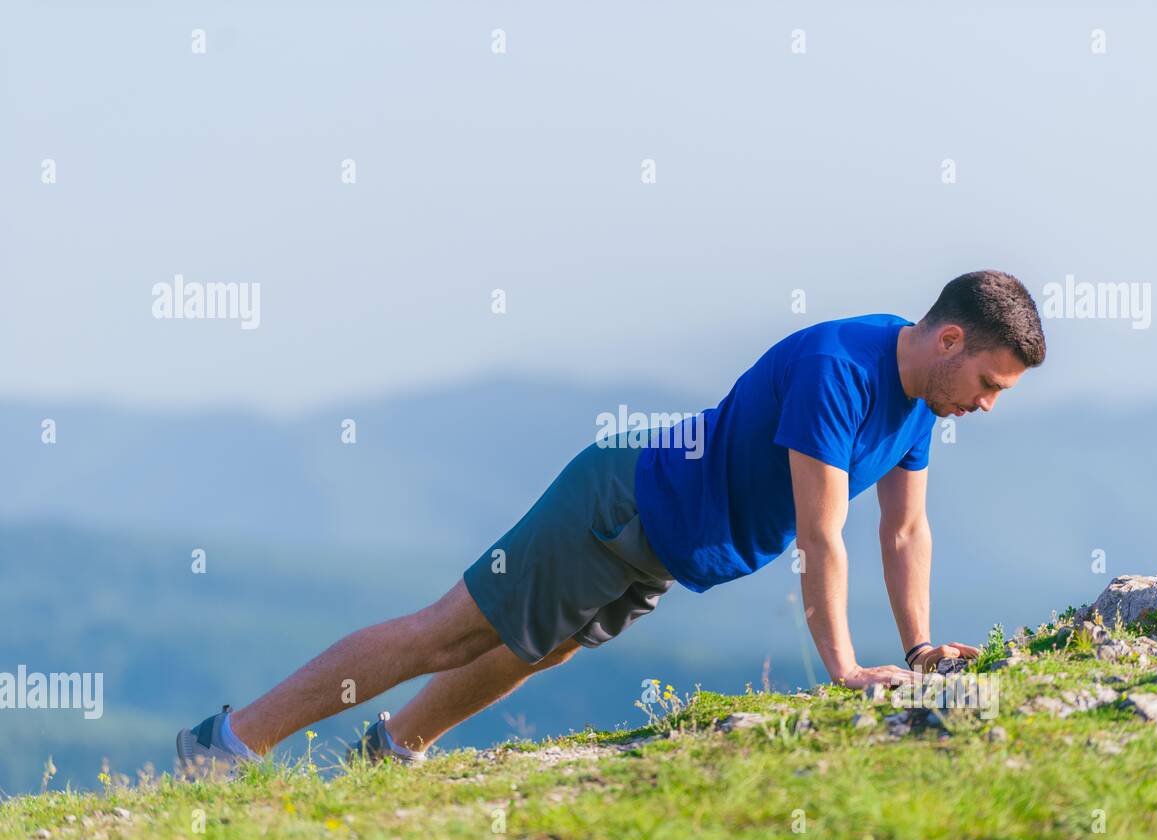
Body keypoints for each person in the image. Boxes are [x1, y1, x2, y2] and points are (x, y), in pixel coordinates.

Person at [177, 269, 1045, 770]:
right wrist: (849, 669)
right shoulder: (840, 370)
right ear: (950, 342)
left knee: (538, 647)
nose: (988, 405)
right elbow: (822, 537)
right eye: (990, 385)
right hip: (622, 498)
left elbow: (904, 530)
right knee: (446, 632)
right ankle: (228, 743)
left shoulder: (921, 406)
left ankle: (391, 752)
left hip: (665, 538)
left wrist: (922, 645)